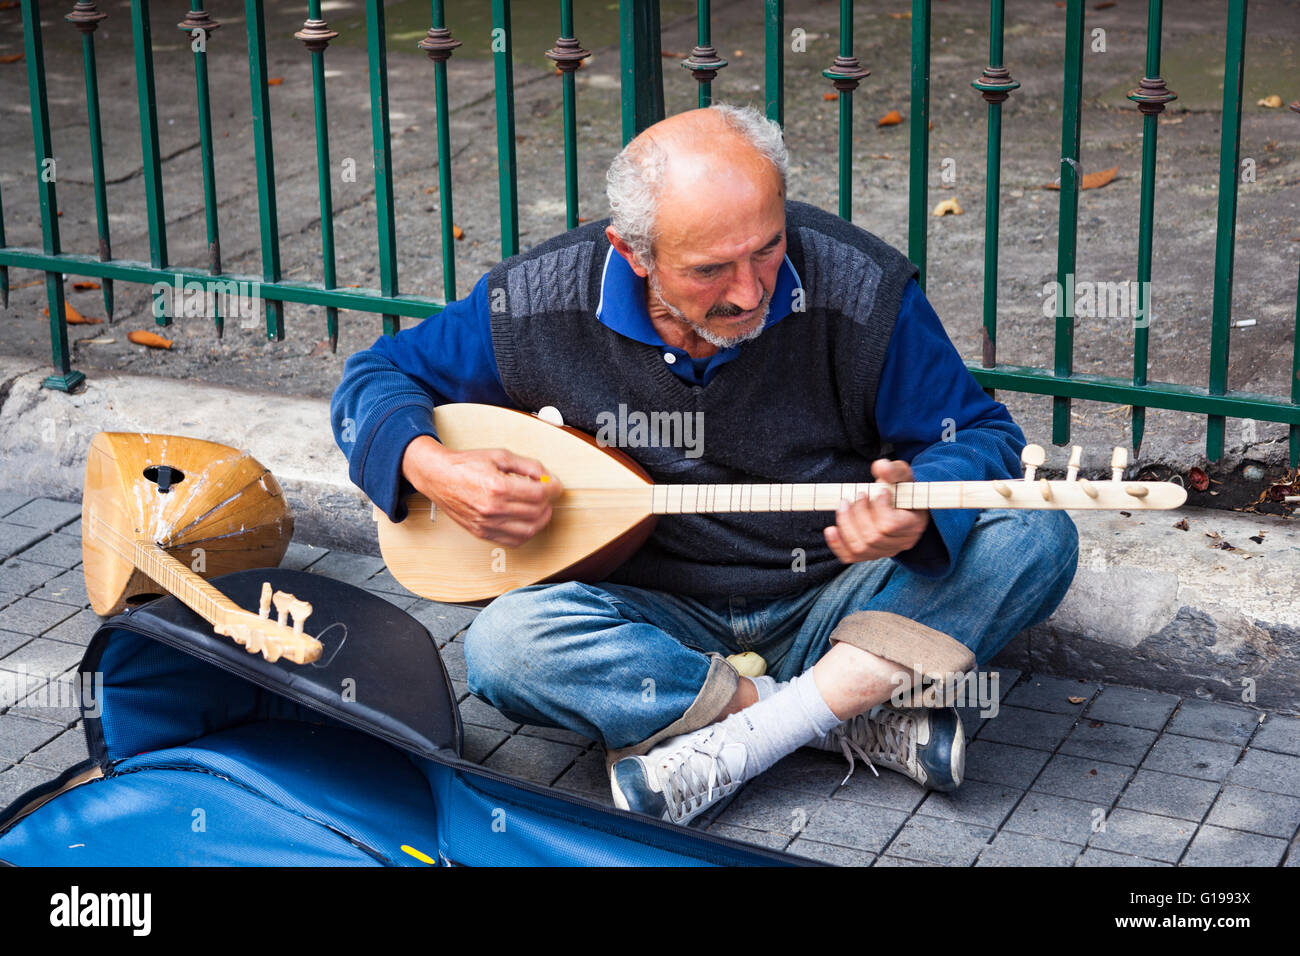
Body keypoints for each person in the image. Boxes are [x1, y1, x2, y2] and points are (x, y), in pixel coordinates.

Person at [331, 103, 1079, 826]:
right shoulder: (536, 303)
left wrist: (918, 501)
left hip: (835, 600)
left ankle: (740, 736)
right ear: (633, 252)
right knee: (506, 647)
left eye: (767, 249)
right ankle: (837, 715)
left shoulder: (860, 288)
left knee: (1033, 535)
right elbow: (373, 378)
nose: (750, 291)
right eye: (710, 270)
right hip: (653, 618)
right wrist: (431, 468)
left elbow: (979, 434)